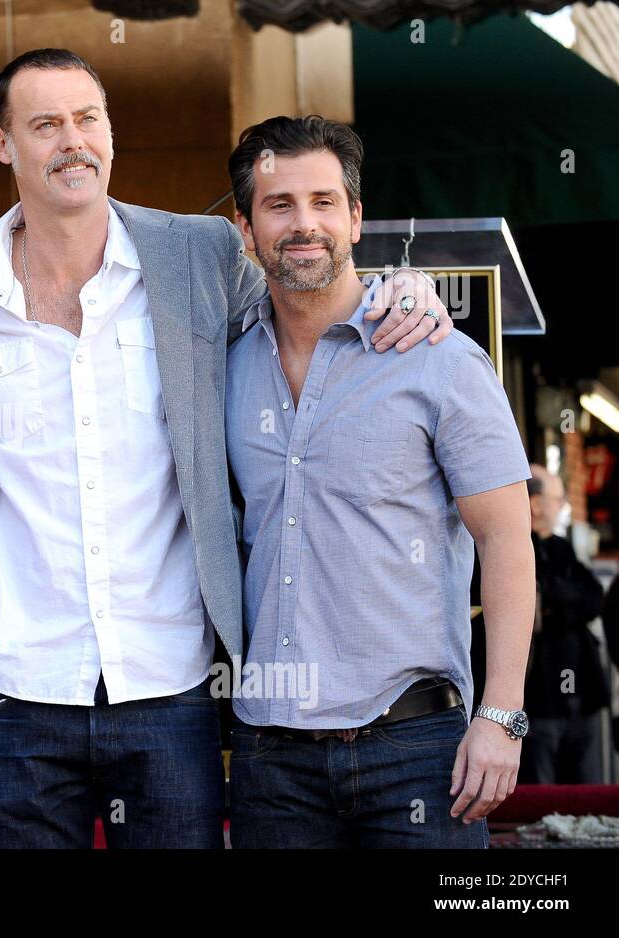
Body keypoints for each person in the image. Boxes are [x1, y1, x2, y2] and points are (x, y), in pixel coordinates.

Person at [0, 49, 454, 848]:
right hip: (13, 689)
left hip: (172, 680)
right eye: (45, 124)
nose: (72, 141)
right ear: (3, 145)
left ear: (109, 133)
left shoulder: (200, 255)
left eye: (87, 119)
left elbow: (308, 297)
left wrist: (398, 283)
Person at [224, 115, 535, 848]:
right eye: (279, 205)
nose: (305, 225)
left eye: (325, 202)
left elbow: (507, 539)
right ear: (244, 228)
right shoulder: (227, 364)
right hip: (272, 756)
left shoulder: (439, 359)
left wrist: (502, 715)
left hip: (417, 748)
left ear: (357, 218)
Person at [522, 465, 608, 784]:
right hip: (540, 700)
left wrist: (558, 602)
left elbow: (594, 597)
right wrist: (565, 601)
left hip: (582, 698)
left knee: (589, 801)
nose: (563, 506)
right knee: (540, 810)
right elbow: (535, 606)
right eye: (558, 498)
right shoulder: (515, 548)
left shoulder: (561, 547)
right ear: (536, 504)